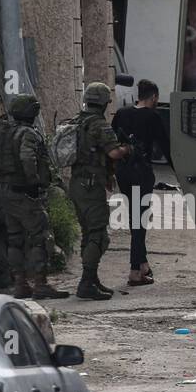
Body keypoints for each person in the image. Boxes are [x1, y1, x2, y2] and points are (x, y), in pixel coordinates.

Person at [0, 94, 69, 300]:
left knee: (15, 239)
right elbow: (27, 158)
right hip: (26, 193)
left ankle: (20, 284)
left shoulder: (6, 132)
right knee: (40, 238)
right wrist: (35, 182)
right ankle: (40, 284)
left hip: (7, 191)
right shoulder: (27, 134)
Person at [69, 82, 129, 300]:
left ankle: (92, 279)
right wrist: (127, 148)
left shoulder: (78, 121)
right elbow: (113, 153)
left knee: (88, 232)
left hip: (77, 184)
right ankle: (86, 282)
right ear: (104, 103)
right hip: (91, 186)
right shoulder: (99, 124)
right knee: (98, 234)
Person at [111, 79, 172, 286]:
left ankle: (143, 264)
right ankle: (135, 272)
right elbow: (165, 146)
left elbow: (111, 141)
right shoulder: (153, 116)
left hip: (123, 172)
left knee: (135, 218)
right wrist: (180, 171)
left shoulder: (121, 113)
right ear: (153, 97)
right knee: (140, 221)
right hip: (141, 172)